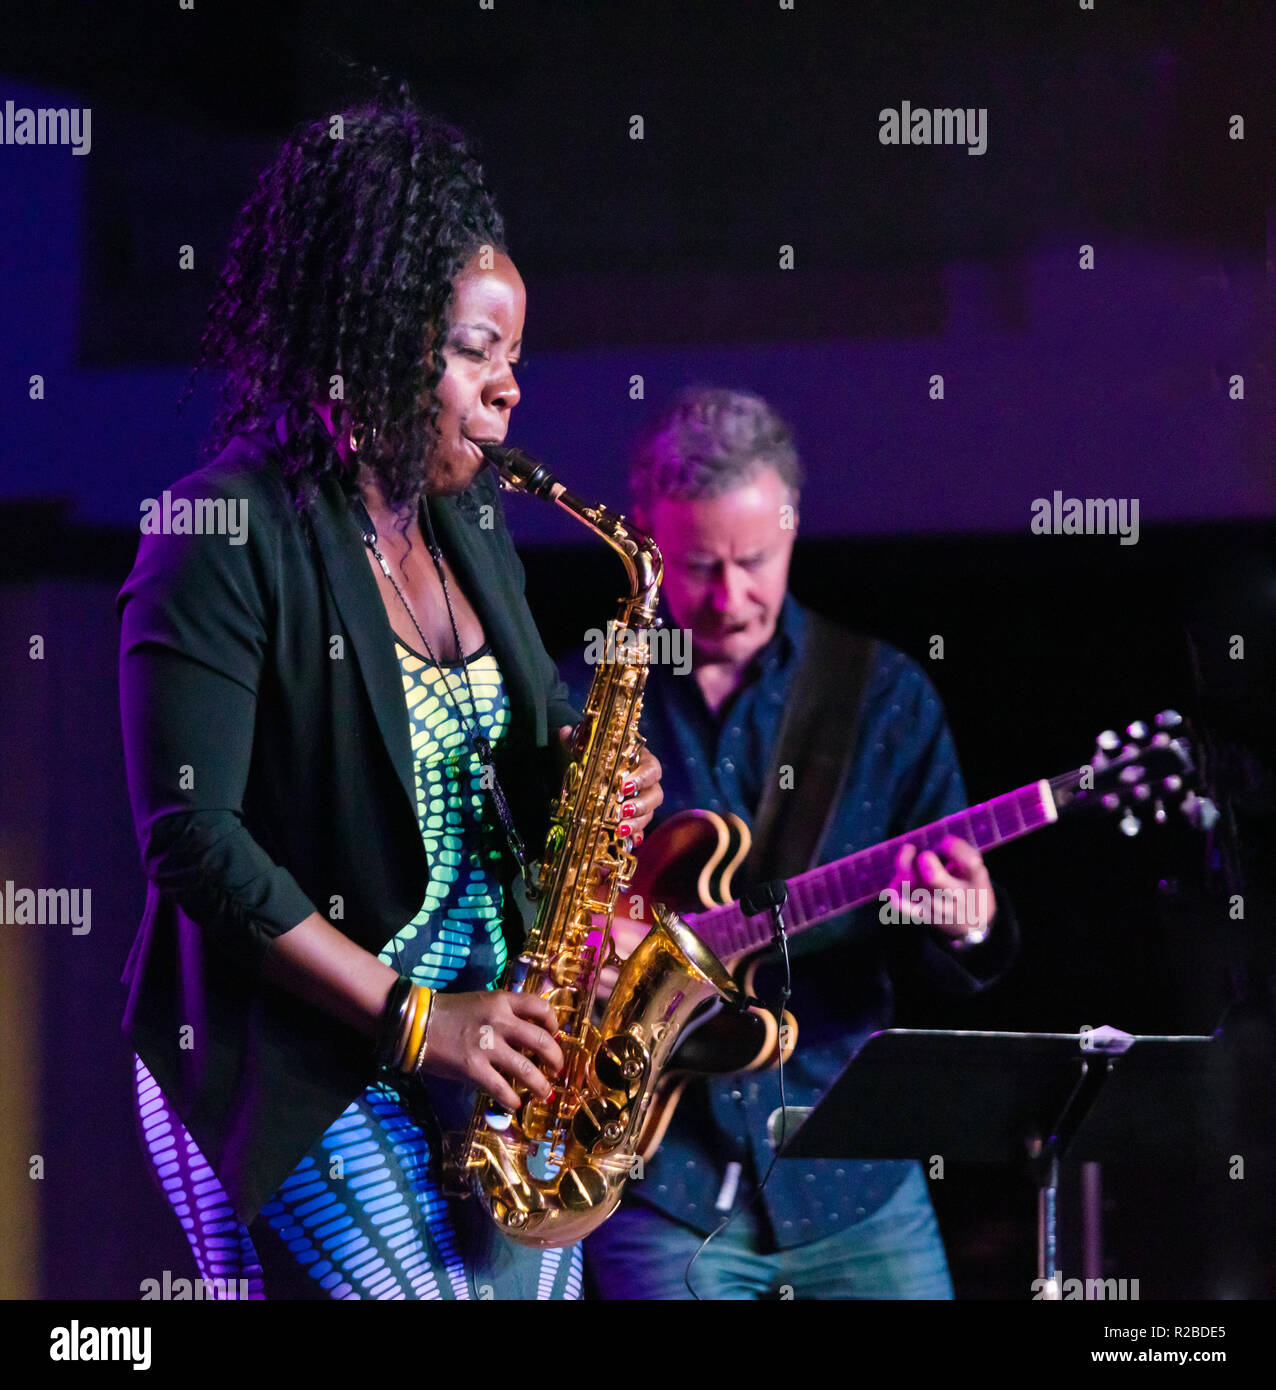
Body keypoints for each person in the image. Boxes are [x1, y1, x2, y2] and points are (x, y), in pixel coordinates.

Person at [117, 86, 663, 1301]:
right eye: (474, 351)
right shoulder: (222, 528)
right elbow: (195, 843)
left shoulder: (466, 515)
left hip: (480, 1047)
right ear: (370, 334)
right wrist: (418, 1020)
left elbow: (514, 745)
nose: (507, 387)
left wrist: (587, 767)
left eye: (512, 356)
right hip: (294, 1054)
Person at [576, 388, 1017, 1299]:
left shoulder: (885, 696)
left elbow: (941, 951)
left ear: (793, 526)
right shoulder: (581, 699)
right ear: (647, 547)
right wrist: (591, 953)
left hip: (851, 1174)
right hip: (654, 1179)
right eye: (697, 566)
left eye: (755, 559)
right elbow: (522, 906)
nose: (730, 595)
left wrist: (964, 923)